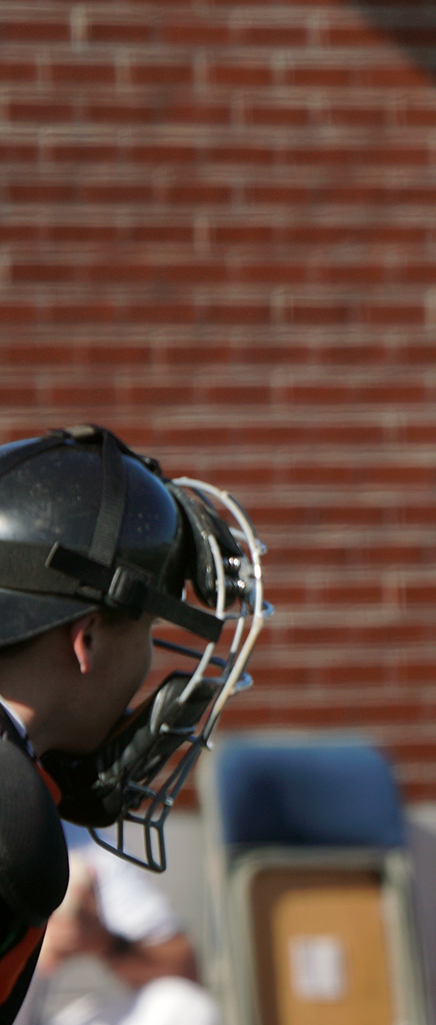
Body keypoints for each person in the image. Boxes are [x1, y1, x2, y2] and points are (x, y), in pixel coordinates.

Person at [0, 426, 266, 1025]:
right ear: (86, 638)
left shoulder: (22, 779)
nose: (148, 663)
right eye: (146, 632)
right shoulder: (10, 813)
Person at [18, 825, 216, 1025]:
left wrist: (104, 941)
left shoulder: (78, 839)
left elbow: (181, 967)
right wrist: (34, 949)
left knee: (184, 1009)